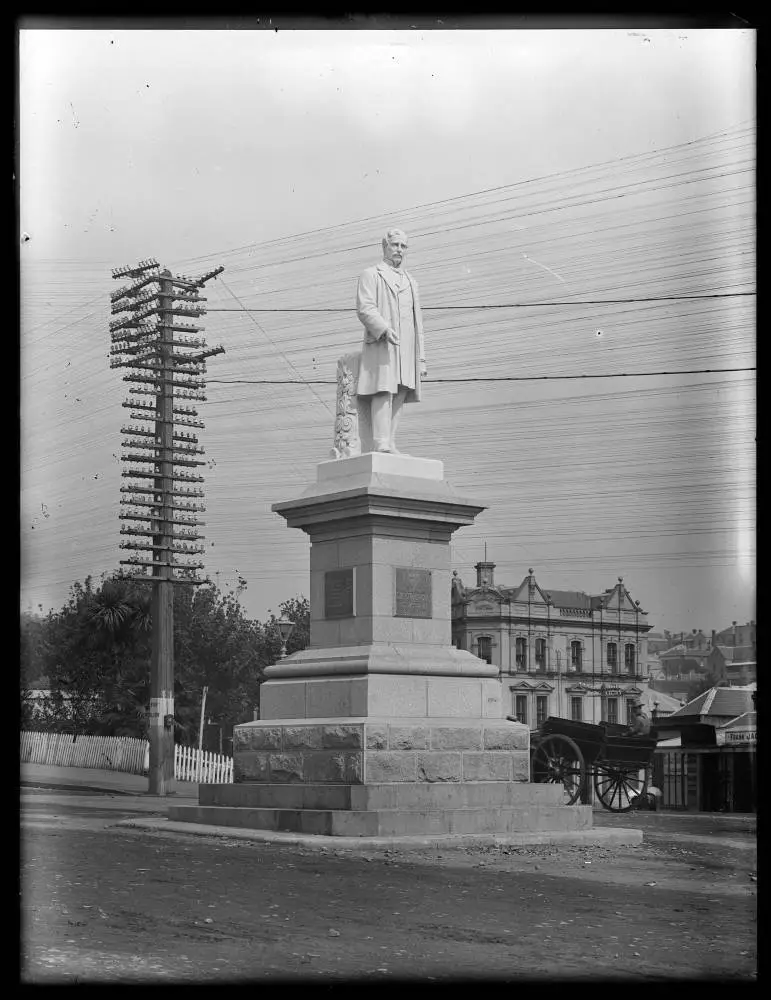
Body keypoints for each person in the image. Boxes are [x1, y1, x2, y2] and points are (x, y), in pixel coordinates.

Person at [355, 228, 428, 453]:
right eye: (395, 245)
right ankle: (381, 441)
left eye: (403, 246)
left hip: (407, 343)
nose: (399, 250)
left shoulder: (411, 281)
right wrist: (383, 329)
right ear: (385, 246)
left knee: (402, 390)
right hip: (382, 342)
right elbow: (365, 308)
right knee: (383, 389)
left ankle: (391, 441)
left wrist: (422, 357)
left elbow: (419, 323)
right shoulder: (371, 274)